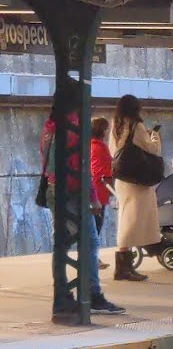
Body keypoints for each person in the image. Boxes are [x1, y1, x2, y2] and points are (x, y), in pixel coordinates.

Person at [41, 110, 124, 315]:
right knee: (89, 242)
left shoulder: (50, 128)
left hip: (54, 188)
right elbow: (82, 167)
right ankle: (91, 294)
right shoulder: (75, 128)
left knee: (62, 243)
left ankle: (64, 295)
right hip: (72, 192)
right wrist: (93, 198)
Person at [110, 95, 162, 282]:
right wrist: (155, 136)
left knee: (126, 218)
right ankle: (124, 267)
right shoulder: (136, 126)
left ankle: (125, 266)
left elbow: (113, 151)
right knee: (133, 222)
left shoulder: (116, 125)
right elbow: (152, 149)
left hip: (123, 178)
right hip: (137, 181)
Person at [89, 117, 113, 270]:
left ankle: (92, 258)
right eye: (106, 129)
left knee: (93, 227)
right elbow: (98, 170)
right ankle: (92, 258)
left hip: (95, 191)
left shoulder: (89, 145)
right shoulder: (99, 147)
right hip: (98, 192)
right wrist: (112, 173)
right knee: (95, 227)